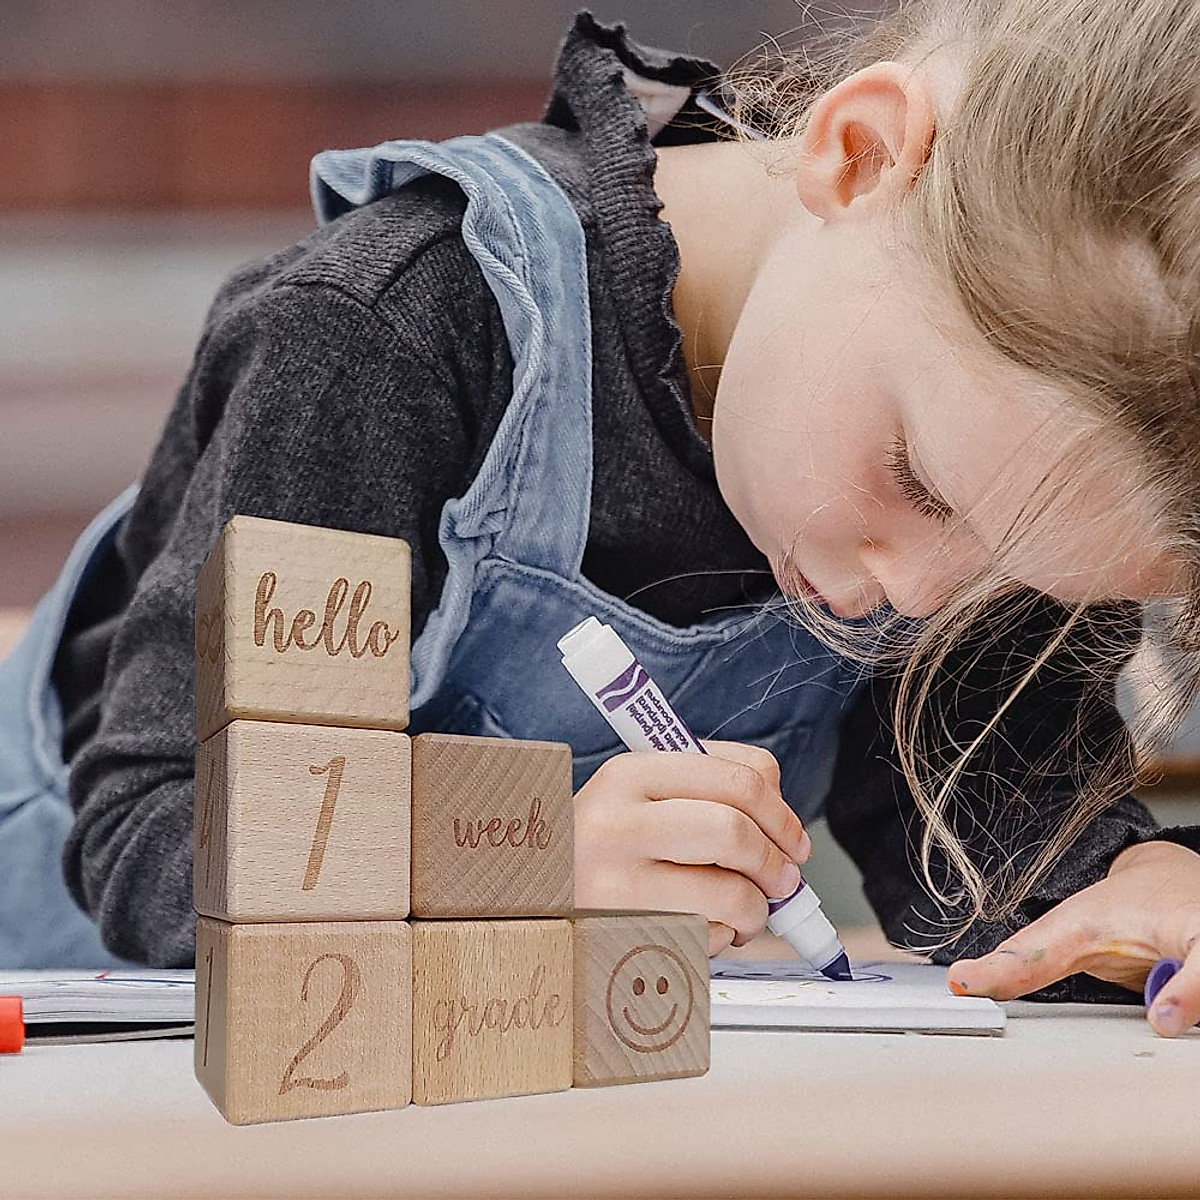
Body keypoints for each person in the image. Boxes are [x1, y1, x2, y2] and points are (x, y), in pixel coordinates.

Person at [5, 5, 1200, 1034]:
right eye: (923, 483)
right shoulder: (391, 333)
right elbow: (162, 828)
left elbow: (987, 855)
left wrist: (1135, 892)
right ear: (861, 153)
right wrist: (520, 855)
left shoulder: (972, 463)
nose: (928, 594)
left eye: (1016, 580)